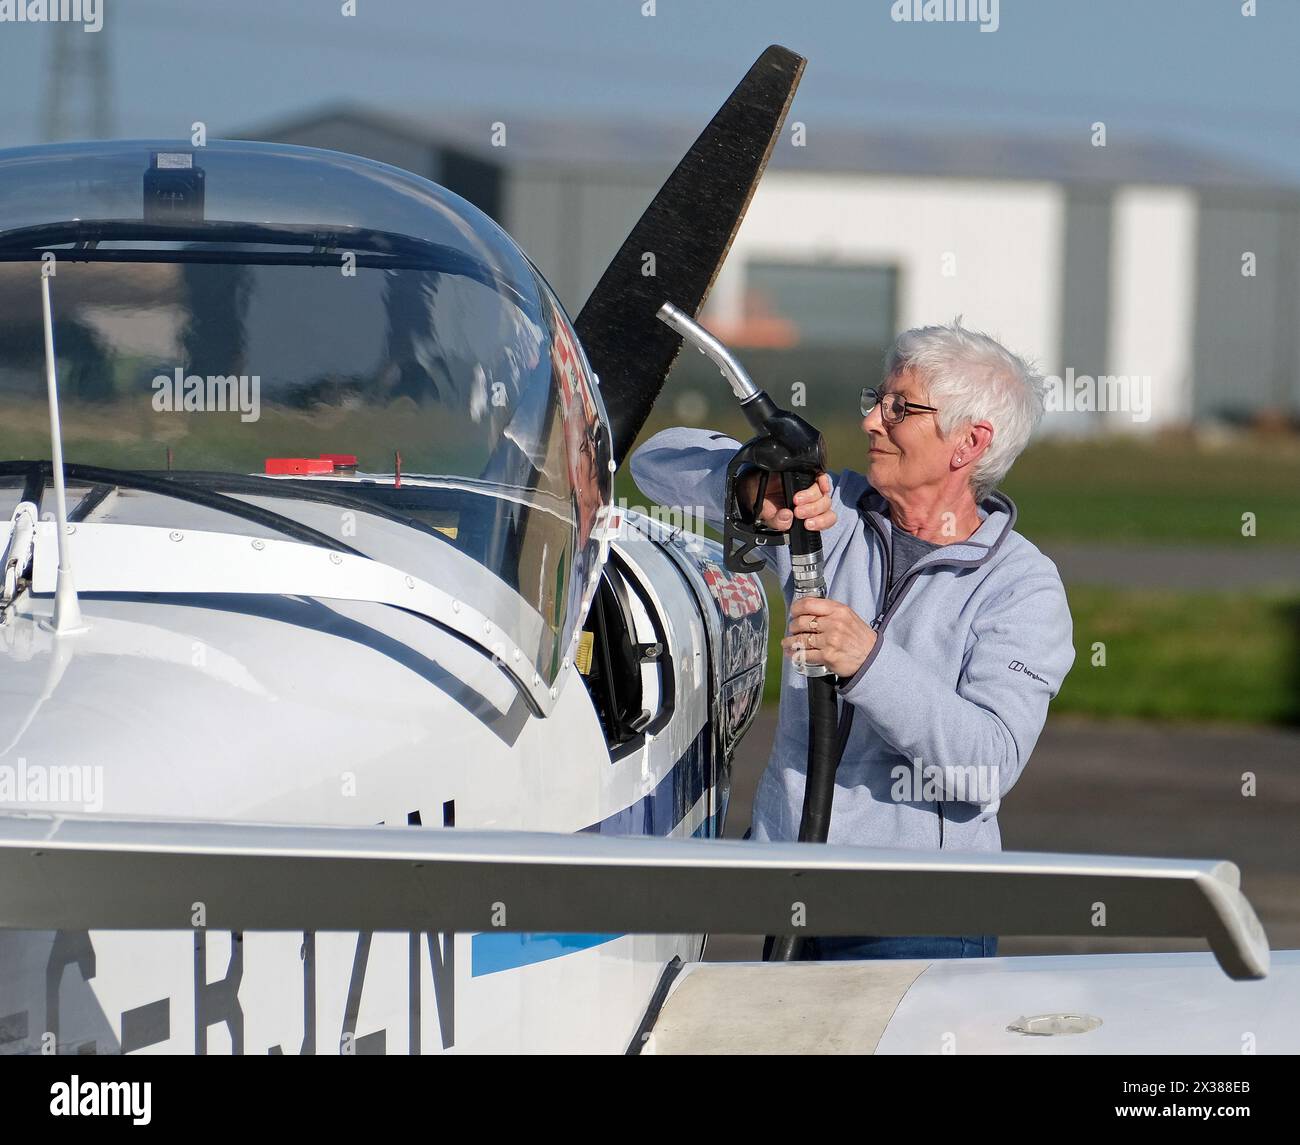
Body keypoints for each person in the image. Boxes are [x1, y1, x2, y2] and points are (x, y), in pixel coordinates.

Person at [629, 319, 1075, 960]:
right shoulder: (825, 511)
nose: (872, 422)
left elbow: (989, 765)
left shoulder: (1021, 586)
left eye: (902, 409)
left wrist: (868, 662)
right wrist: (751, 484)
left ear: (968, 444)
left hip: (919, 920)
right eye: (878, 399)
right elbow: (651, 464)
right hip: (792, 899)